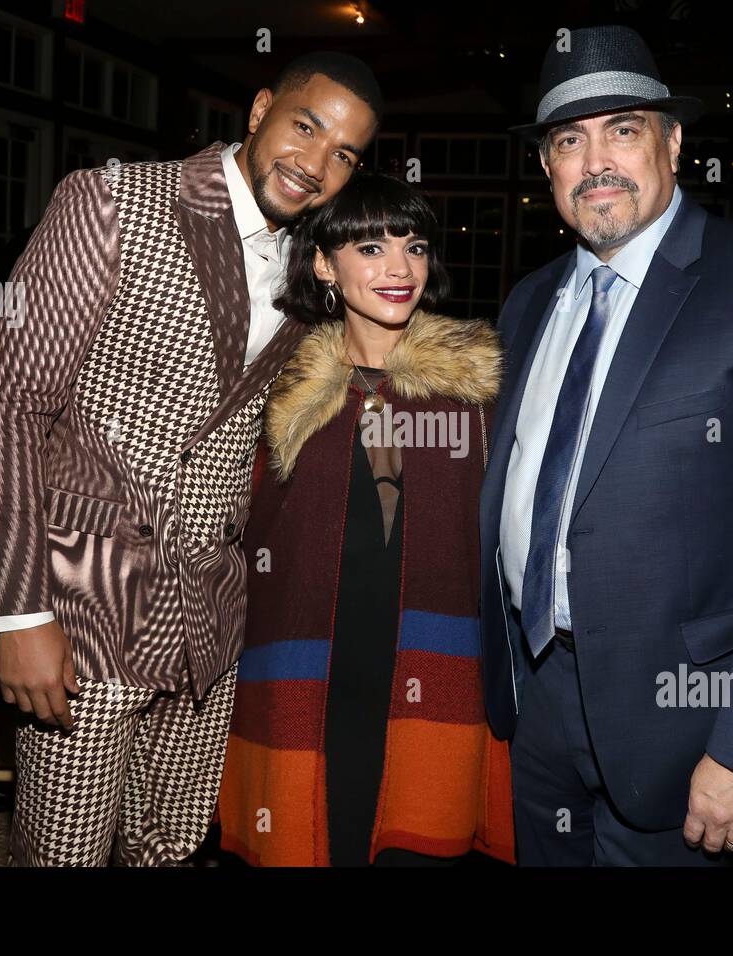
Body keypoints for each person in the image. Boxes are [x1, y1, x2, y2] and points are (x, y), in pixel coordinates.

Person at [0, 53, 382, 866]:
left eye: (345, 155)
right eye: (306, 126)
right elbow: (8, 405)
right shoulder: (112, 199)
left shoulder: (311, 257)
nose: (317, 163)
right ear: (259, 109)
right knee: (63, 854)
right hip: (83, 607)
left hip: (207, 616)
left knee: (171, 848)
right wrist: (18, 614)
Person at [480, 25, 733, 866]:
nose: (596, 162)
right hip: (538, 696)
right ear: (546, 166)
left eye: (622, 129)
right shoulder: (526, 302)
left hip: (689, 725)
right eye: (568, 141)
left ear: (674, 142)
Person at [217, 172, 513, 866]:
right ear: (324, 263)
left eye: (413, 247)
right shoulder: (279, 390)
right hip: (306, 651)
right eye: (371, 248)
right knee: (316, 827)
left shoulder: (476, 390)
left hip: (433, 650)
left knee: (417, 832)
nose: (399, 268)